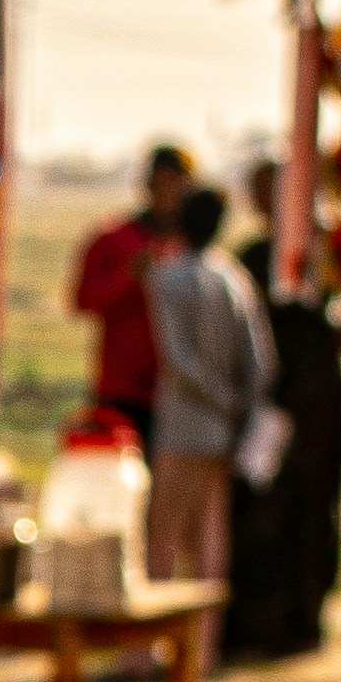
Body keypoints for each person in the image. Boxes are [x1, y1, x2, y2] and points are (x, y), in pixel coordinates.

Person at [222, 157, 341, 671]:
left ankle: (301, 620)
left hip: (312, 404)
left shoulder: (327, 253)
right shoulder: (254, 259)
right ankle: (265, 622)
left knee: (310, 510)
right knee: (264, 512)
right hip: (270, 408)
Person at [139, 175, 272, 602]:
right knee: (210, 544)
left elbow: (178, 360)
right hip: (223, 432)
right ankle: (203, 650)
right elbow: (262, 362)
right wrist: (241, 410)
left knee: (163, 537)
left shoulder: (170, 278)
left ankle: (145, 649)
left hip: (183, 427)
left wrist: (221, 400)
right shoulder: (234, 279)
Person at [65, 134, 190, 460]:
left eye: (175, 183)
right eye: (161, 182)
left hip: (177, 391)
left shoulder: (193, 249)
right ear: (147, 184)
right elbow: (82, 300)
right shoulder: (113, 238)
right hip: (121, 391)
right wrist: (128, 276)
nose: (168, 192)